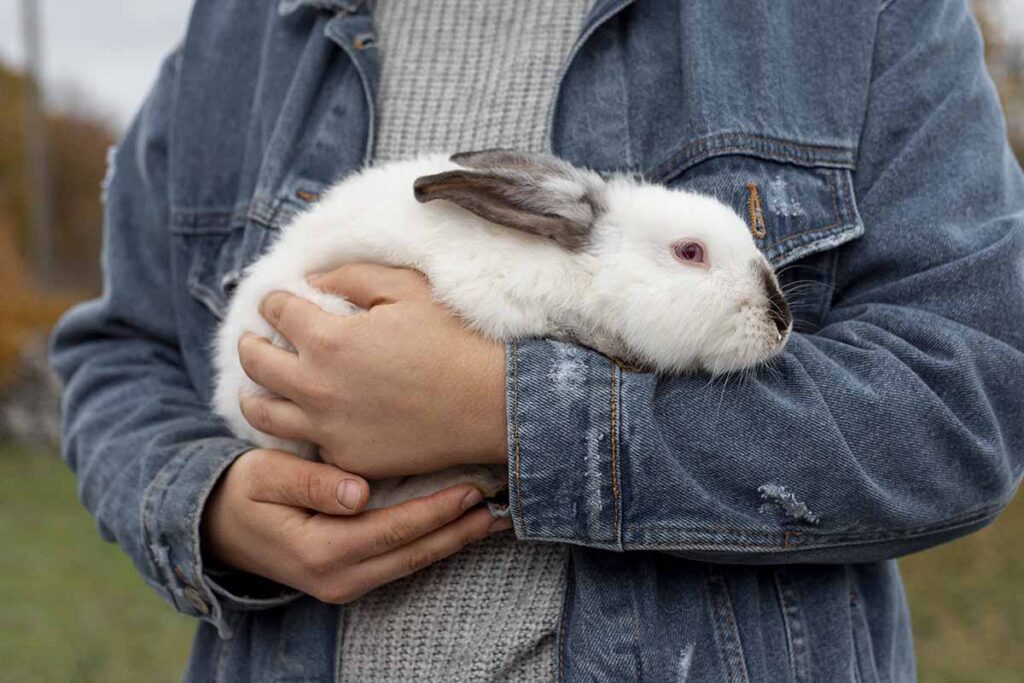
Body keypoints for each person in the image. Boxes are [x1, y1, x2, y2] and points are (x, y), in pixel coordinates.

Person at [51, 0, 1024, 680]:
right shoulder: (238, 29)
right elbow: (121, 351)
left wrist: (500, 407)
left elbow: (965, 397)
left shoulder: (858, 17)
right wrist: (216, 506)